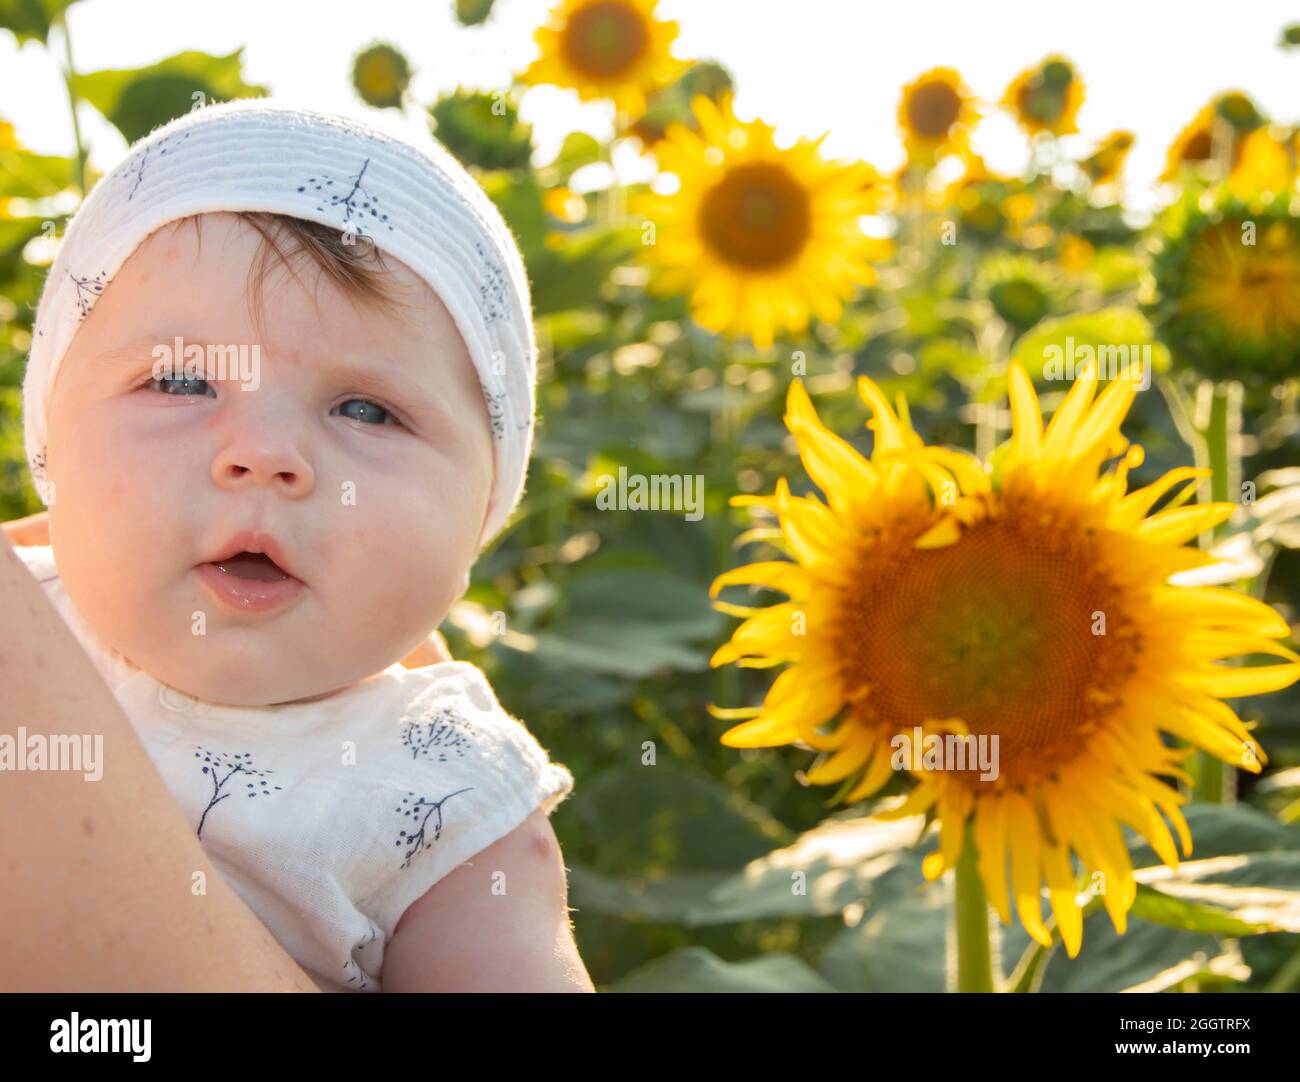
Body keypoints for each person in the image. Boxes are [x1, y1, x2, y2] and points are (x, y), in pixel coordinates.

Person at [3, 99, 592, 992]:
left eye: (365, 409)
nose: (263, 456)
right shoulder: (26, 609)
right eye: (181, 380)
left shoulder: (447, 791)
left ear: (481, 512)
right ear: (52, 441)